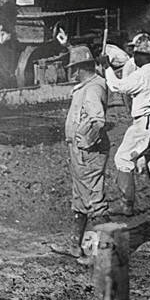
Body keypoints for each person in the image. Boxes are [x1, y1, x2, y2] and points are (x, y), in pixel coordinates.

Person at [105, 34, 150, 223]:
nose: (133, 56)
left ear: (143, 55)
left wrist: (107, 69)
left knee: (123, 159)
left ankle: (126, 206)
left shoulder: (143, 74)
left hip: (145, 123)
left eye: (135, 53)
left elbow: (117, 86)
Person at [50, 45, 110, 261]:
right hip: (80, 151)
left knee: (94, 200)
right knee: (80, 198)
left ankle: (103, 255)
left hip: (88, 152)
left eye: (73, 68)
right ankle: (75, 245)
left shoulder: (93, 88)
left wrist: (85, 142)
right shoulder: (87, 85)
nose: (71, 72)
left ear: (80, 68)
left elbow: (98, 120)